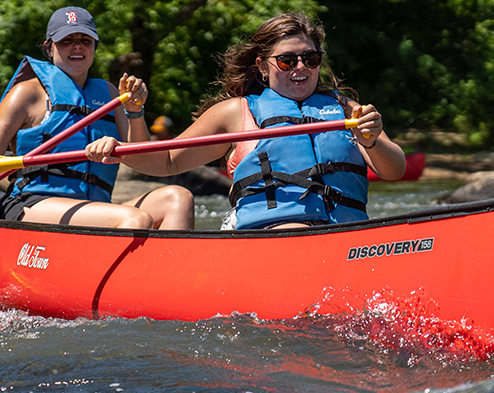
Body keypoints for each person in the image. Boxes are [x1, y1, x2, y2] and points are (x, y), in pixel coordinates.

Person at [89, 12, 405, 230]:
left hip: (348, 236)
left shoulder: (346, 108)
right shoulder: (235, 112)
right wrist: (134, 117)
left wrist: (371, 141)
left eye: (310, 59)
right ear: (262, 66)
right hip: (274, 236)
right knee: (294, 230)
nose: (300, 67)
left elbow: (395, 170)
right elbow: (165, 162)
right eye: (286, 60)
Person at [0, 6, 194, 230]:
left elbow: (146, 162)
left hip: (95, 210)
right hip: (33, 205)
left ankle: (170, 270)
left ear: (94, 47)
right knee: (135, 219)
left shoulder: (111, 95)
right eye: (66, 40)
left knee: (178, 198)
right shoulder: (26, 93)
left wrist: (134, 112)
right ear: (49, 48)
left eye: (85, 40)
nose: (77, 47)